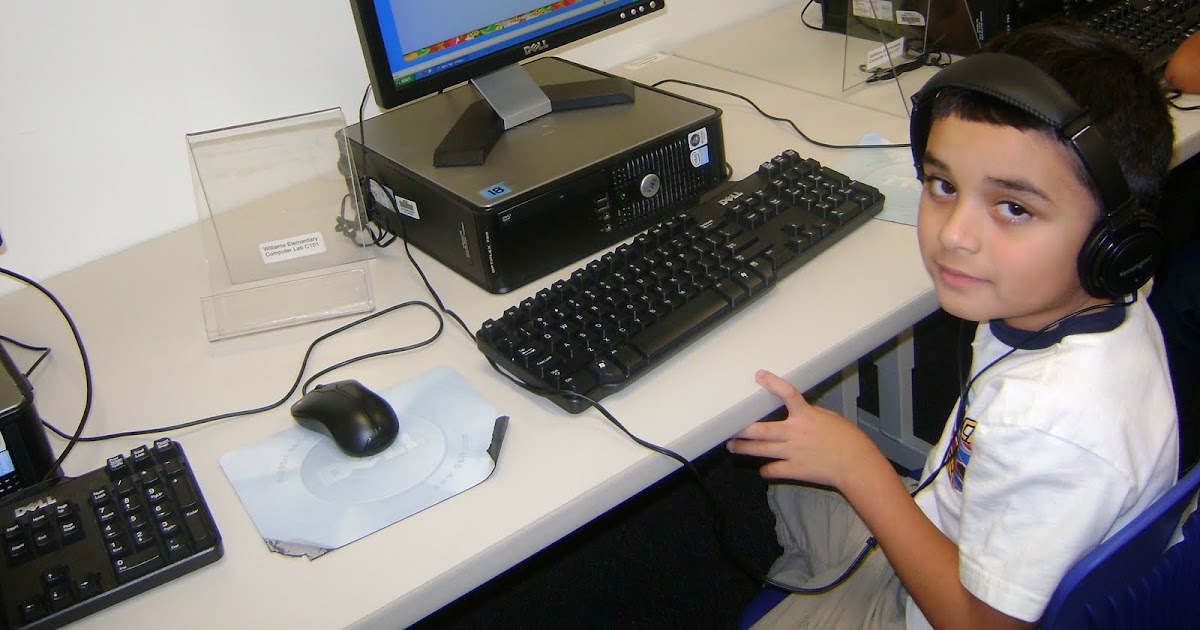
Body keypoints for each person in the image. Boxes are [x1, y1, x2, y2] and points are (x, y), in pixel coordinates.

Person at [726, 21, 1180, 629]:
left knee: (822, 464)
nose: (953, 236)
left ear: (1114, 241)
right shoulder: (1101, 297)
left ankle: (830, 596)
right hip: (954, 525)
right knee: (795, 469)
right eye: (943, 185)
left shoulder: (1050, 425)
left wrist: (861, 469)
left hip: (945, 610)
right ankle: (826, 581)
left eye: (1013, 207)